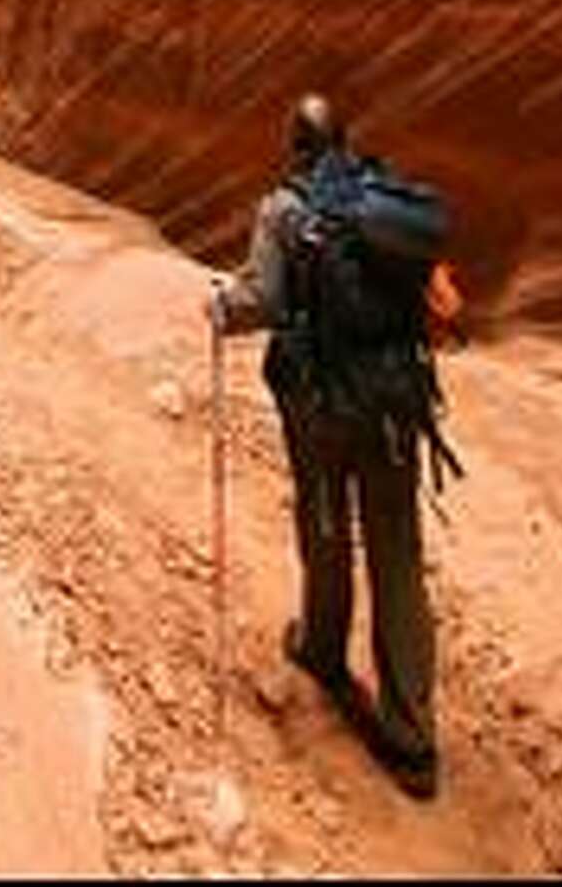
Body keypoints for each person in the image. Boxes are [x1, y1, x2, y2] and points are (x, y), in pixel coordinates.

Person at [209, 91, 445, 798]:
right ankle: (412, 736)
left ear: (294, 145)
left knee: (325, 524)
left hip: (321, 406)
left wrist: (221, 306)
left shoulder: (283, 210)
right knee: (399, 552)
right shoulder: (383, 202)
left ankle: (321, 648)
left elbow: (266, 302)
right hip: (397, 403)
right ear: (343, 140)